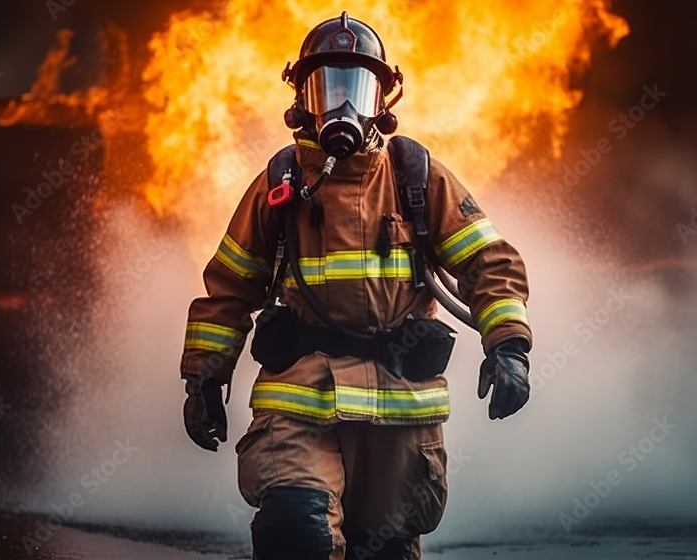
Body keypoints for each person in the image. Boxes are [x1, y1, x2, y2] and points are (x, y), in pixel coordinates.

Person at [180, 12, 532, 560]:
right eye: (328, 86)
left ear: (382, 100)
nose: (342, 103)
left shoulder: (418, 176)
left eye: (357, 86)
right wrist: (204, 378)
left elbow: (490, 263)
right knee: (297, 534)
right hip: (298, 404)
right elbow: (229, 288)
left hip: (399, 413)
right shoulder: (280, 184)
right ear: (303, 98)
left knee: (384, 551)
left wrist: (510, 347)